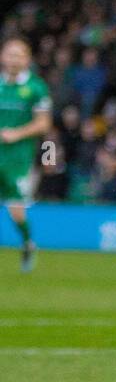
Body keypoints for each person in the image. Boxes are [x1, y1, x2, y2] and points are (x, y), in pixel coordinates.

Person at [0, 38, 53, 273]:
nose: (13, 59)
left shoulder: (36, 87)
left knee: (16, 210)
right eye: (10, 54)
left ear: (27, 59)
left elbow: (44, 123)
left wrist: (17, 133)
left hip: (18, 158)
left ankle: (28, 244)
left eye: (18, 55)